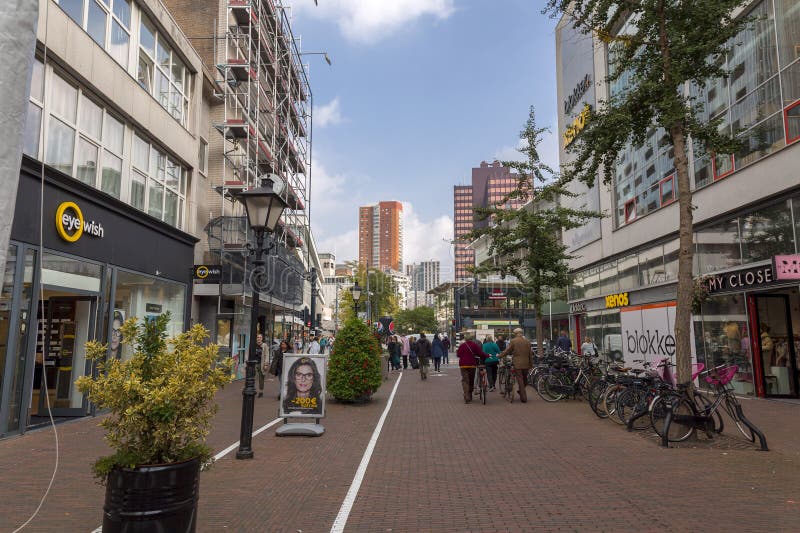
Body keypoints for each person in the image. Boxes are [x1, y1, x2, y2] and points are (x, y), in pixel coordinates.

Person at [499, 328, 533, 403]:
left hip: (517, 363)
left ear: (515, 334)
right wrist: (531, 364)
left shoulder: (513, 341)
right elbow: (530, 354)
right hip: (526, 363)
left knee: (520, 380)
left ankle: (524, 397)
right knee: (525, 380)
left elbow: (507, 351)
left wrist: (499, 356)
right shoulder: (527, 342)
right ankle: (521, 391)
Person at [457, 333, 489, 403]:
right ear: (471, 339)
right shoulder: (474, 345)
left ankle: (466, 395)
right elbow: (480, 353)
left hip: (463, 365)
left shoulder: (462, 345)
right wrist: (487, 355)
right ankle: (470, 395)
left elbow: (458, 354)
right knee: (471, 380)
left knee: (465, 380)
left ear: (465, 339)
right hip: (472, 365)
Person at [254, 333, 268, 397]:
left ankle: (261, 391)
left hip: (261, 364)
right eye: (257, 337)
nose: (258, 338)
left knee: (261, 378)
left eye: (260, 337)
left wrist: (266, 364)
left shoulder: (264, 345)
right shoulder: (254, 345)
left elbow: (266, 355)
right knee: (252, 377)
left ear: (262, 338)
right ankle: (252, 390)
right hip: (254, 363)